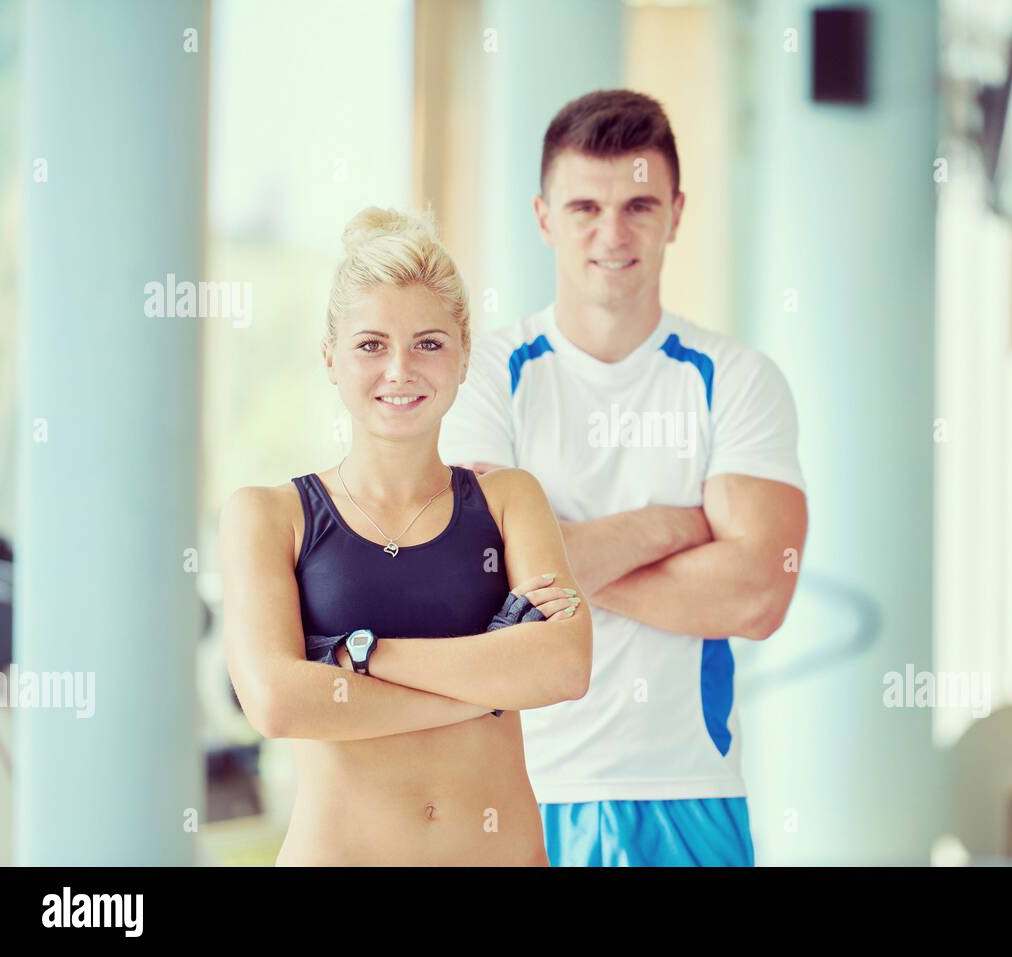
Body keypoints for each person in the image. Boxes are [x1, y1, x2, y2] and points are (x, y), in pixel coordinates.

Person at [439, 90, 809, 865]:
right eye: (584, 207)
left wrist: (543, 563)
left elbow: (757, 593)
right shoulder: (484, 376)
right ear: (543, 217)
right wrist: (668, 526)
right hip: (517, 788)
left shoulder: (737, 380)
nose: (613, 233)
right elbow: (471, 574)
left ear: (677, 212)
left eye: (639, 204)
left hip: (685, 794)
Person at [220, 206, 593, 865]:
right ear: (331, 357)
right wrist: (488, 682)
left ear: (463, 354)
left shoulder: (510, 500)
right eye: (371, 344)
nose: (400, 369)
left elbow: (563, 666)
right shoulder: (268, 516)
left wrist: (358, 655)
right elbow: (277, 702)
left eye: (428, 342)